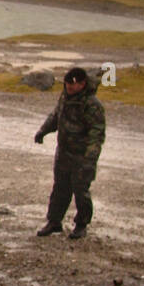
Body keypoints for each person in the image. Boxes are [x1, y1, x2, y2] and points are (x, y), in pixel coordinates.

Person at [35, 66, 105, 240]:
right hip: (64, 153)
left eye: (72, 86)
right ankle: (54, 222)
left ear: (82, 84)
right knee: (60, 188)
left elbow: (97, 134)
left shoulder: (92, 105)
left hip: (82, 156)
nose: (69, 88)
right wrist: (43, 131)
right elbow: (56, 116)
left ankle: (81, 225)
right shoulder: (65, 97)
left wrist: (90, 157)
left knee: (81, 191)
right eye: (67, 85)